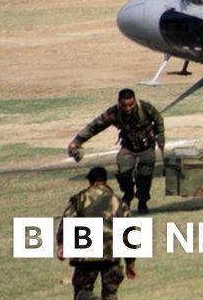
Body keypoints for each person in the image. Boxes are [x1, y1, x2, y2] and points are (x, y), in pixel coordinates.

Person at [67, 89, 164, 214]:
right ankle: (128, 194)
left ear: (135, 101)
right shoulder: (113, 113)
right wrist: (77, 141)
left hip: (147, 148)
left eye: (131, 105)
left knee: (145, 177)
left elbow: (158, 120)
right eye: (124, 105)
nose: (128, 108)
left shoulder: (145, 108)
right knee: (124, 174)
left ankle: (143, 202)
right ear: (119, 103)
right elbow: (95, 126)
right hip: (128, 148)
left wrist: (160, 137)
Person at [56, 166, 138, 300]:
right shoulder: (118, 201)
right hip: (111, 255)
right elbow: (128, 234)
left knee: (82, 292)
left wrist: (61, 244)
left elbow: (67, 221)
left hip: (85, 254)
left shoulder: (79, 199)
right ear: (105, 181)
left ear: (90, 181)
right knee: (110, 294)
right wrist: (130, 263)